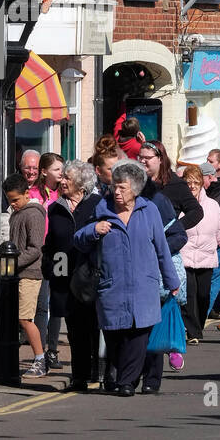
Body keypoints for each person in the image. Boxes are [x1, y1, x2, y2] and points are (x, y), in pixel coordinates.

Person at [73, 160, 178, 396]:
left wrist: (172, 281)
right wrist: (93, 230)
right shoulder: (101, 210)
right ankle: (126, 377)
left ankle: (127, 382)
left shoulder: (149, 210)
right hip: (112, 287)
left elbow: (162, 249)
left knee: (139, 336)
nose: (117, 192)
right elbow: (77, 239)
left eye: (123, 188)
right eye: (115, 187)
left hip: (144, 287)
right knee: (116, 337)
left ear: (136, 189)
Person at [138, 140, 203, 383]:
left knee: (167, 300)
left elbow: (197, 211)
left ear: (160, 158)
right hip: (143, 249)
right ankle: (146, 354)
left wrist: (175, 228)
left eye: (147, 157)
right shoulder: (137, 183)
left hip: (167, 246)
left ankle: (172, 344)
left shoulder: (174, 184)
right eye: (140, 157)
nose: (142, 161)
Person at [43, 161, 102, 391]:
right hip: (64, 277)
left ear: (82, 183)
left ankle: (98, 372)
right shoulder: (55, 207)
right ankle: (79, 377)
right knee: (75, 330)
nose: (62, 181)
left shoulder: (98, 205)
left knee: (94, 327)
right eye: (63, 177)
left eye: (67, 178)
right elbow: (51, 243)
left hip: (89, 276)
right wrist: (49, 265)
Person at [3, 172, 50, 375]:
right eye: (9, 200)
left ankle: (41, 361)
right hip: (18, 273)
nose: (12, 204)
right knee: (19, 318)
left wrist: (12, 263)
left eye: (15, 199)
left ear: (26, 193)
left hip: (30, 274)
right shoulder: (18, 213)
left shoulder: (33, 213)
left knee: (25, 319)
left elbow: (35, 248)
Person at [179, 164, 220, 341]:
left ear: (202, 184)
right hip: (185, 257)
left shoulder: (212, 206)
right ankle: (193, 332)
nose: (192, 186)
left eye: (195, 182)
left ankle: (198, 326)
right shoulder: (179, 206)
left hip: (207, 258)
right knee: (190, 295)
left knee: (203, 296)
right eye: (188, 182)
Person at [30, 152, 63, 362]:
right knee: (42, 304)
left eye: (62, 168)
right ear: (44, 171)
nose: (61, 172)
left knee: (58, 302)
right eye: (57, 169)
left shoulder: (63, 193)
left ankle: (52, 349)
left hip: (60, 252)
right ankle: (41, 352)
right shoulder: (33, 193)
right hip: (41, 251)